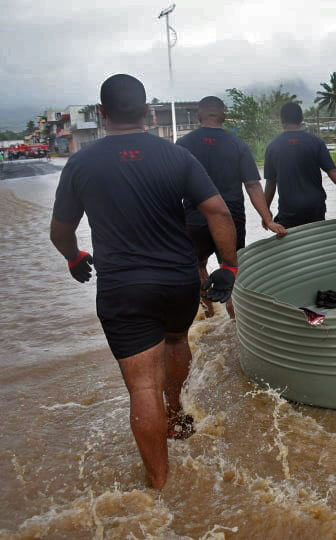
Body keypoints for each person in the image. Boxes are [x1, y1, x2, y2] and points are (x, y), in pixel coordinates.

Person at [49, 74, 238, 490]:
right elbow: (219, 213)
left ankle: (160, 485)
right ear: (149, 112)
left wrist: (74, 258)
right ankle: (176, 414)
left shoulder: (81, 163)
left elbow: (60, 230)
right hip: (177, 282)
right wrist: (228, 267)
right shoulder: (176, 157)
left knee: (141, 387)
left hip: (123, 289)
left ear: (101, 114)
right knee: (176, 342)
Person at [178, 96, 286, 319]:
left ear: (198, 115)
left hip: (195, 219)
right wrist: (268, 219)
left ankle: (209, 317)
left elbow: (170, 188)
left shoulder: (183, 145)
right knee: (231, 268)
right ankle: (236, 322)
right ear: (224, 115)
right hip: (231, 220)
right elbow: (253, 185)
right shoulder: (237, 144)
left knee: (198, 266)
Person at [264, 103, 336, 228]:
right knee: (317, 245)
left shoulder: (273, 147)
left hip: (289, 209)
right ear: (301, 119)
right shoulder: (316, 142)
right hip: (315, 207)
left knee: (293, 246)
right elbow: (333, 172)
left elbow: (270, 184)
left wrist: (265, 213)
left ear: (282, 119)